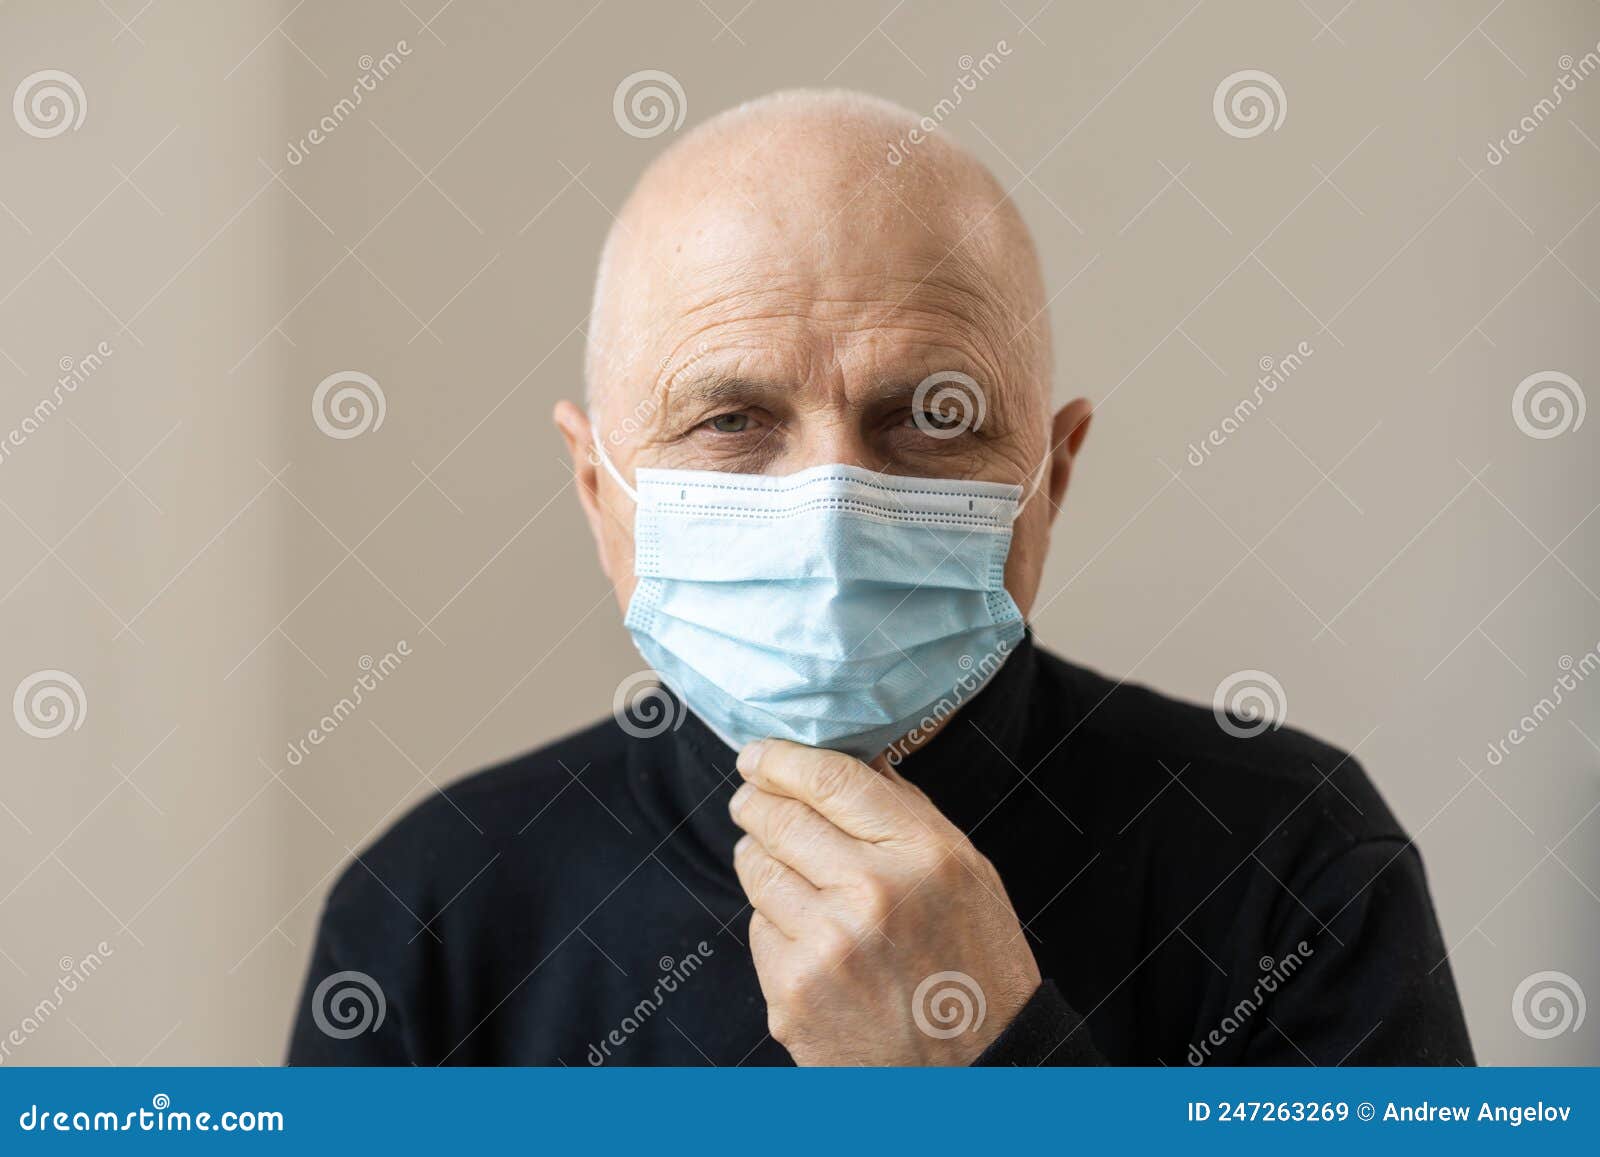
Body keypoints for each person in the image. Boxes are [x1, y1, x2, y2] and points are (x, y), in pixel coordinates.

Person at [289, 90, 1472, 1066]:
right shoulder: (433, 913)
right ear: (599, 488)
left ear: (1051, 477)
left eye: (933, 415)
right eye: (732, 419)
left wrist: (983, 1065)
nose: (833, 514)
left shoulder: (1290, 864)